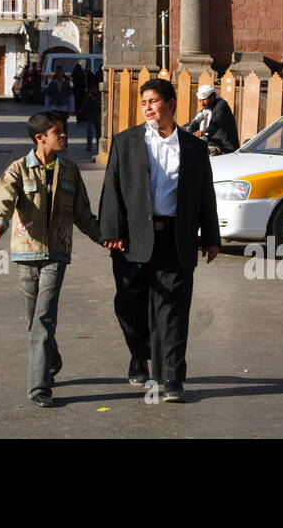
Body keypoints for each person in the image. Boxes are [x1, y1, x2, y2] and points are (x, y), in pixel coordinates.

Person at [99, 77, 220, 403]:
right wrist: (111, 232)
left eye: (153, 101)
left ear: (170, 104)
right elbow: (111, 189)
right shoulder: (126, 142)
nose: (148, 108)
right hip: (133, 241)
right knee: (130, 305)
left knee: (173, 312)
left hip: (176, 240)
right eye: (144, 103)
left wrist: (211, 237)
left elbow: (204, 193)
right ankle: (139, 355)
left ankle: (172, 379)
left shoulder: (193, 147)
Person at [0, 111, 102, 407]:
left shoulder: (71, 171)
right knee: (34, 319)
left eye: (63, 131)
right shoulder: (18, 169)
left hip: (57, 253)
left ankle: (39, 387)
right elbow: (4, 197)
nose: (64, 136)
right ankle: (51, 359)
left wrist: (105, 238)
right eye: (58, 132)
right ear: (40, 138)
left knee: (43, 315)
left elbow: (83, 214)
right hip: (26, 252)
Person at [184, 85, 239, 156]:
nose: (202, 103)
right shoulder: (206, 109)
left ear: (212, 97)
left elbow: (215, 124)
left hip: (224, 149)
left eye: (204, 100)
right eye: (200, 100)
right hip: (210, 144)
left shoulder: (222, 106)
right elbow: (194, 123)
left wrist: (202, 132)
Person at [76, 85, 101, 155]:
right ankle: (89, 146)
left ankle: (99, 146)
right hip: (90, 117)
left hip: (97, 116)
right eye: (92, 89)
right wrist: (79, 112)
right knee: (89, 131)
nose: (93, 90)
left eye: (94, 89)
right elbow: (83, 107)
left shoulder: (98, 97)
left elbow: (101, 106)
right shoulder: (87, 98)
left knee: (98, 132)